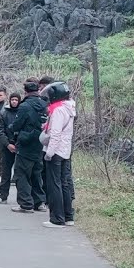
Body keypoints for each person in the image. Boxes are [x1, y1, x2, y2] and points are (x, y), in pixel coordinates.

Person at [7, 80, 48, 213]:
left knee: (22, 173)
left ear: (25, 91)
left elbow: (17, 125)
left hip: (26, 144)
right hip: (41, 143)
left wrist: (11, 128)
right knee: (37, 173)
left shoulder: (24, 106)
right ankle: (39, 202)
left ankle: (25, 204)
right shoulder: (44, 104)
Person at [42, 83, 76, 228]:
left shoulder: (58, 111)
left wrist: (49, 153)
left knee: (54, 185)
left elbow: (55, 134)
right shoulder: (70, 108)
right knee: (64, 183)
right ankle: (68, 217)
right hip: (65, 151)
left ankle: (56, 218)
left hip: (55, 151)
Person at [0, 93, 20, 204]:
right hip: (7, 146)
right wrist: (8, 144)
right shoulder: (4, 113)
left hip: (20, 146)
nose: (14, 102)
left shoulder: (22, 112)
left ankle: (22, 198)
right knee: (5, 172)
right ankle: (3, 196)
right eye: (12, 99)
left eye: (16, 100)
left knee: (20, 173)